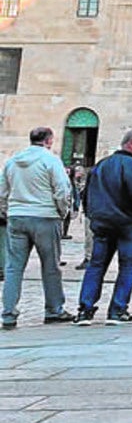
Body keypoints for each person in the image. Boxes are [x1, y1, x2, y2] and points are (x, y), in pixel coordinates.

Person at [76, 128, 132, 326]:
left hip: (103, 225)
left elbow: (87, 196)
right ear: (130, 143)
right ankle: (118, 309)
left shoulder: (101, 165)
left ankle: (85, 310)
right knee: (128, 266)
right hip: (130, 225)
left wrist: (94, 218)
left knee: (96, 266)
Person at [0, 127, 74, 329]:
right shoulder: (50, 160)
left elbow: (2, 191)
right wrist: (62, 212)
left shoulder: (13, 161)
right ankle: (54, 309)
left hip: (17, 216)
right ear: (49, 140)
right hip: (45, 216)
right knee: (50, 266)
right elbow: (62, 189)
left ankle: (8, 313)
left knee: (13, 267)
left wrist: (8, 211)